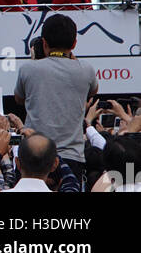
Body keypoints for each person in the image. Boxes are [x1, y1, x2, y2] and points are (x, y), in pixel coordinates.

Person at [14, 13, 98, 187]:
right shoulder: (87, 70)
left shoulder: (28, 69)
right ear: (74, 44)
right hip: (72, 156)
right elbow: (93, 91)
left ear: (43, 43)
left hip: (34, 155)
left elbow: (19, 99)